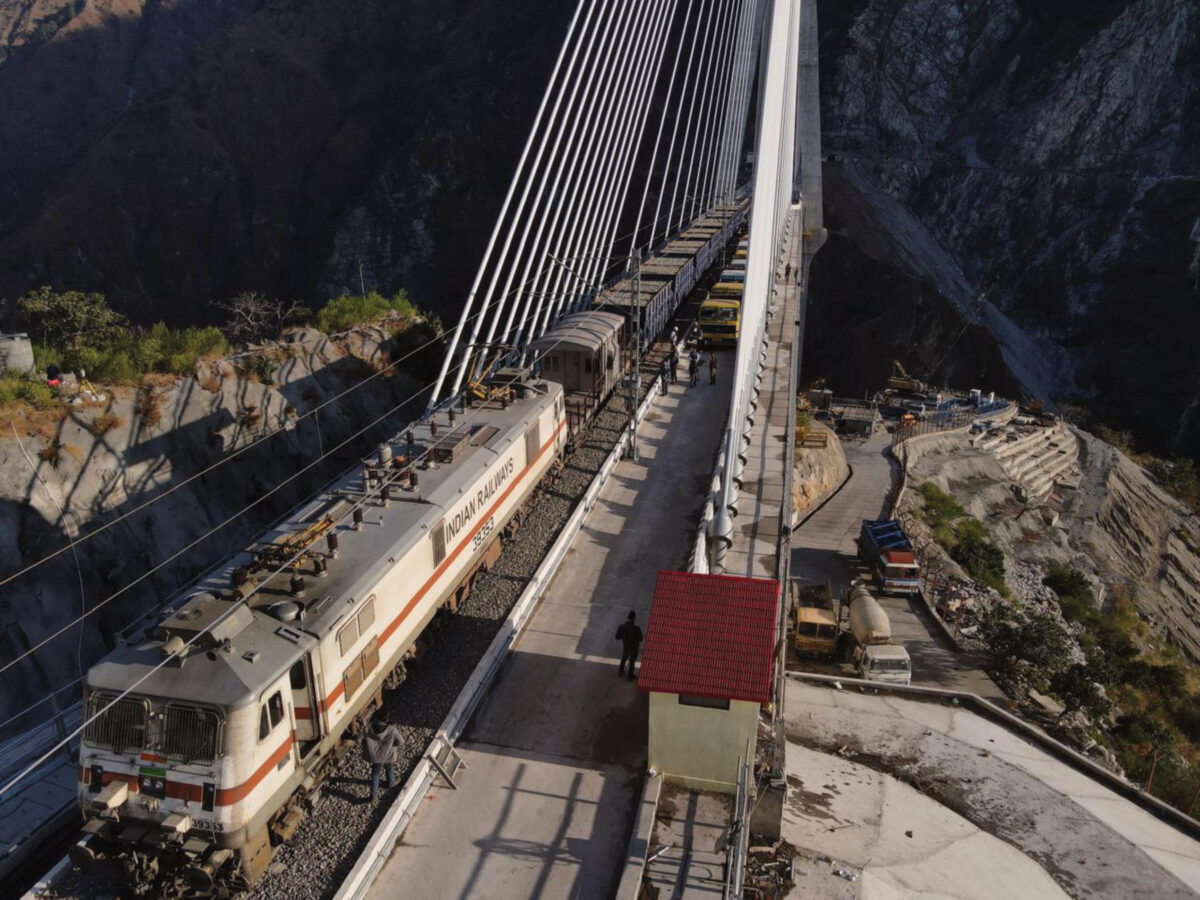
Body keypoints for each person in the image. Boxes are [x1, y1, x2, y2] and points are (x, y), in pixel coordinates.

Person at [361, 719, 402, 801]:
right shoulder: (392, 729)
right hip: (388, 755)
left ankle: (373, 796)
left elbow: (359, 740)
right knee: (389, 769)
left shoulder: (368, 728)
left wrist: (367, 747)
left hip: (376, 756)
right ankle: (391, 784)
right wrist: (393, 746)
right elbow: (401, 741)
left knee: (375, 774)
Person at [615, 611, 643, 681]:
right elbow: (640, 639)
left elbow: (617, 637)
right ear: (634, 619)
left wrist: (624, 636)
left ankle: (620, 672)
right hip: (634, 647)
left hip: (626, 646)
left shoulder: (622, 627)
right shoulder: (637, 629)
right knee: (632, 661)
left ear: (627, 617)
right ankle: (630, 676)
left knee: (624, 658)